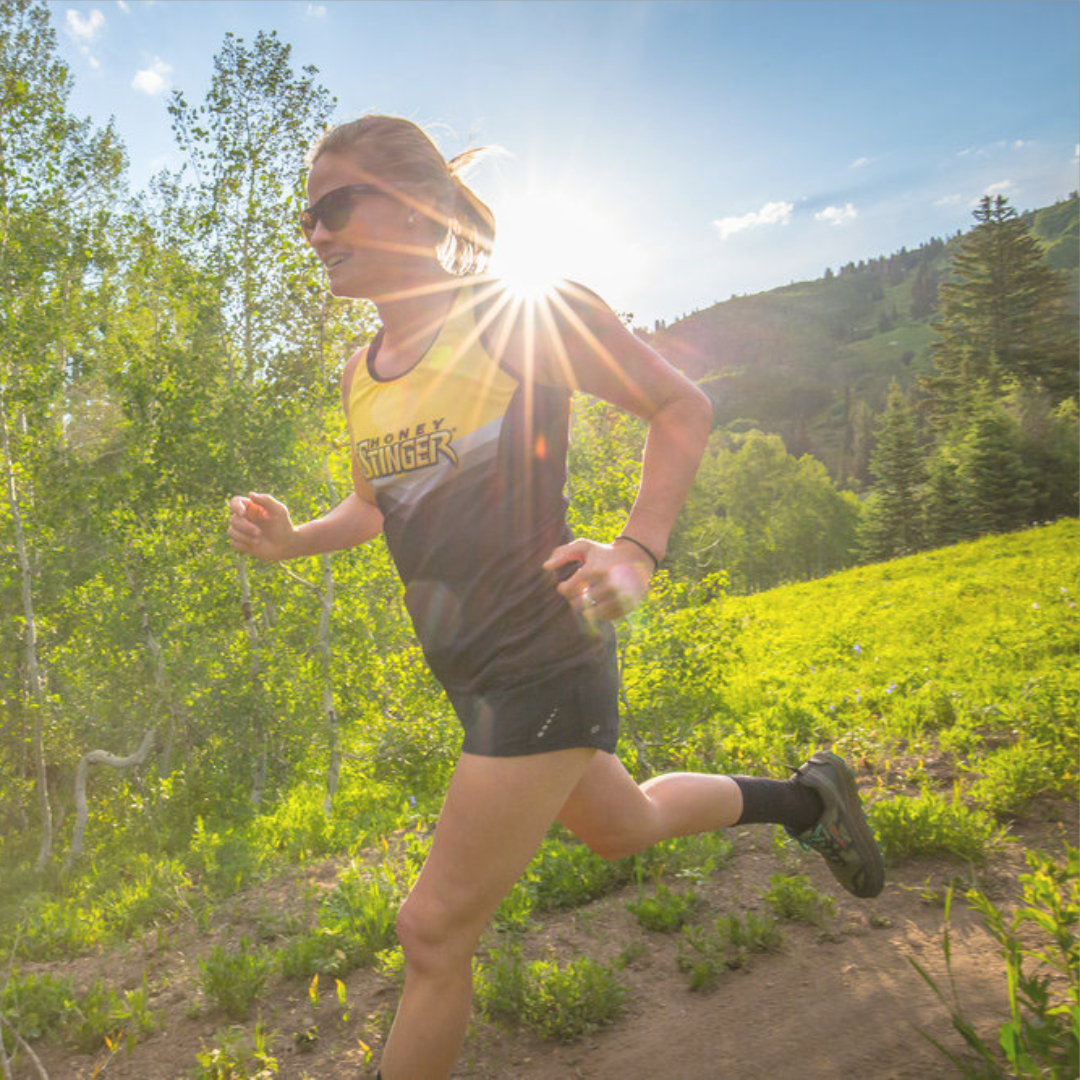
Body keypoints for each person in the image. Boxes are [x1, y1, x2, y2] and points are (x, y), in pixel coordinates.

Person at [227, 114, 884, 1080]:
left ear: (414, 209)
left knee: (434, 931)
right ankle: (805, 800)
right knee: (623, 828)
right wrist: (294, 542)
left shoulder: (517, 317)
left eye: (336, 207)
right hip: (473, 676)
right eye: (306, 217)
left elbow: (681, 406)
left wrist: (637, 551)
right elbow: (372, 508)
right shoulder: (359, 379)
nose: (316, 233)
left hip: (541, 654)